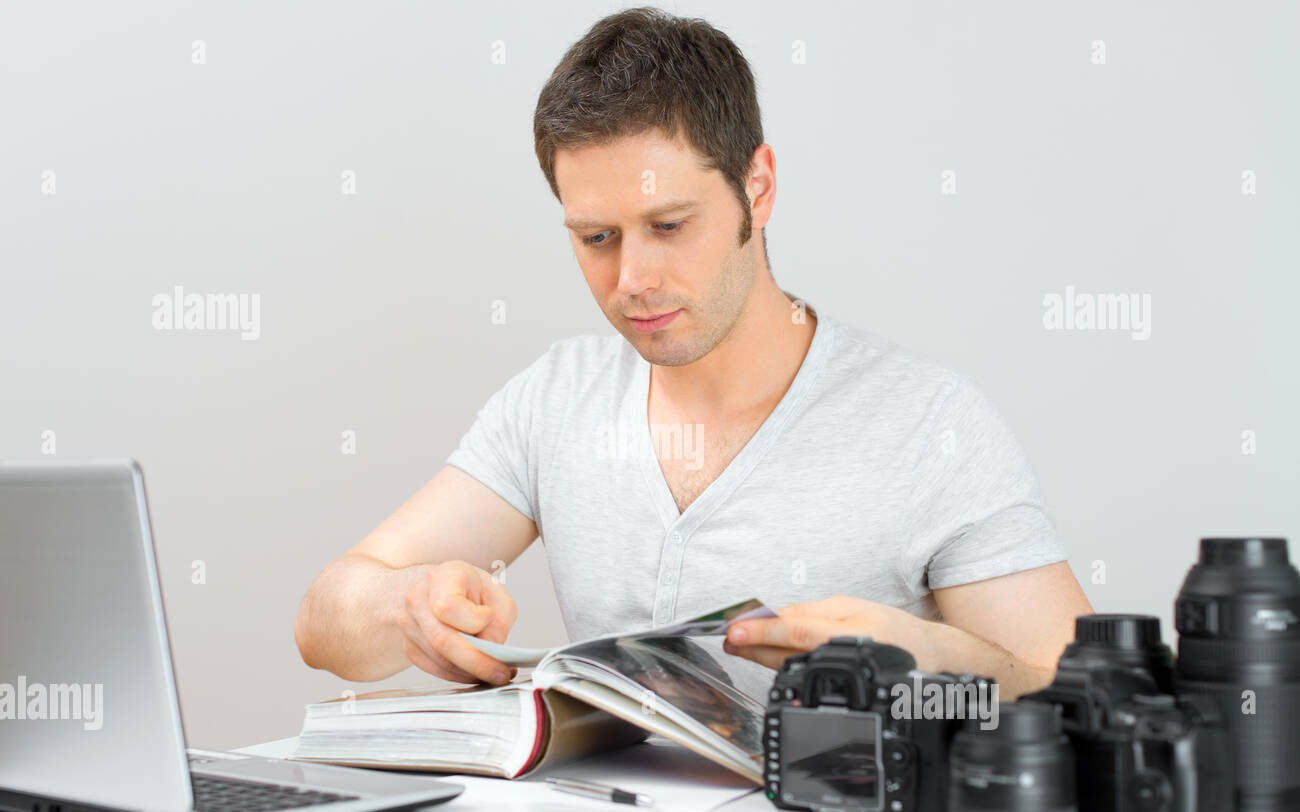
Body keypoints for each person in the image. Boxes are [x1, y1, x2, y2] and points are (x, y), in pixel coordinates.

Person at [294, 7, 1093, 703]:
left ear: (760, 187)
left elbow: (1083, 694)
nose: (633, 280)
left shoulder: (928, 424)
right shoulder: (555, 402)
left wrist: (915, 657)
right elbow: (325, 619)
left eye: (669, 225)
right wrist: (405, 607)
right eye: (596, 238)